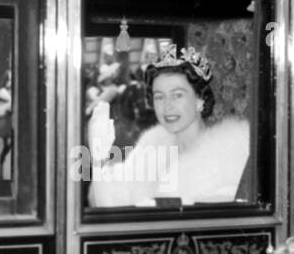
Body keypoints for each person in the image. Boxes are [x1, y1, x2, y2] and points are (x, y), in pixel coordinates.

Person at [88, 45, 250, 207]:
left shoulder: (231, 151)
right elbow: (109, 199)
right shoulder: (150, 145)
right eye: (159, 97)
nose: (167, 106)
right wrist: (99, 152)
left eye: (177, 95)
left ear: (200, 100)